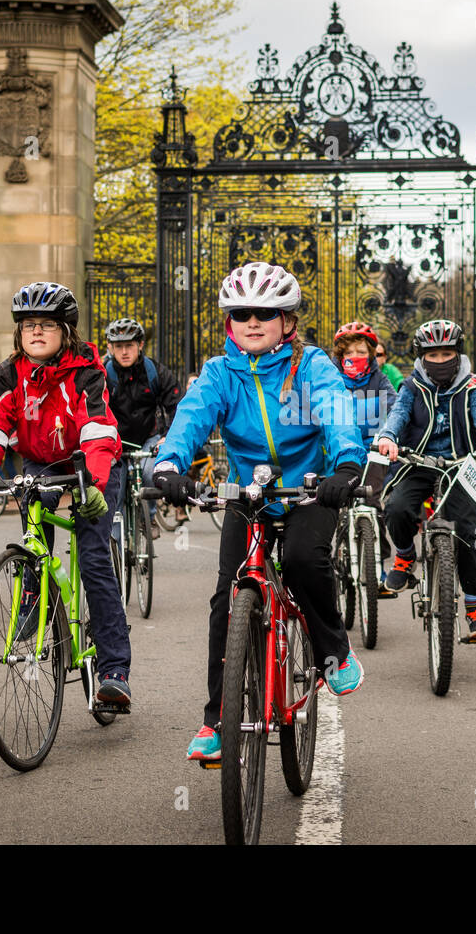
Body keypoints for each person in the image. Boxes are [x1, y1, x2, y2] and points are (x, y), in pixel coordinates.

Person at [152, 261, 366, 762]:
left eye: (266, 313)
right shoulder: (219, 373)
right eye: (242, 312)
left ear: (288, 321)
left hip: (310, 493)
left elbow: (337, 413)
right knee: (227, 599)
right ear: (230, 321)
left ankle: (333, 649)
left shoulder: (310, 366)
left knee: (301, 561)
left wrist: (347, 466)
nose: (253, 321)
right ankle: (215, 722)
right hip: (248, 497)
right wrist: (168, 466)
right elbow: (191, 418)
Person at [0, 282, 132, 706]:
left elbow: (98, 430)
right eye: (29, 325)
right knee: (35, 536)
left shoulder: (88, 371)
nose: (36, 332)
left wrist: (96, 487)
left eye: (47, 324)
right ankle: (32, 601)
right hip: (42, 464)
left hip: (92, 464)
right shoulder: (9, 375)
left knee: (92, 556)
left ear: (65, 331)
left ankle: (115, 670)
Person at [375, 319, 476, 639]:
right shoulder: (410, 386)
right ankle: (405, 558)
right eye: (432, 355)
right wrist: (388, 437)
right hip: (418, 463)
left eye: (447, 353)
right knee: (397, 509)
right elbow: (398, 415)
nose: (440, 360)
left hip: (462, 465)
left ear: (458, 354)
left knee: (468, 532)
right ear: (421, 356)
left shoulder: (471, 386)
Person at [102, 317, 182, 534]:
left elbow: (176, 405)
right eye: (119, 346)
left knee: (149, 473)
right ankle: (116, 554)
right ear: (110, 347)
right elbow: (93, 409)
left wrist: (168, 435)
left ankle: (149, 517)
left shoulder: (154, 371)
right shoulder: (103, 375)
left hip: (149, 437)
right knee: (114, 493)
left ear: (140, 345)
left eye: (129, 345)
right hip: (115, 441)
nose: (124, 351)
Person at [332, 321, 397, 450]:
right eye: (349, 353)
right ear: (341, 356)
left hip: (372, 449)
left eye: (361, 352)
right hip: (339, 448)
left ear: (370, 355)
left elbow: (396, 409)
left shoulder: (379, 379)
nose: (355, 357)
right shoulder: (331, 379)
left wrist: (388, 436)